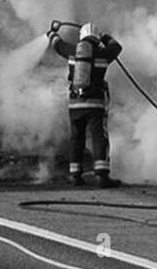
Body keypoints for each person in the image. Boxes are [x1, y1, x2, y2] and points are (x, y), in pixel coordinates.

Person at [47, 21, 122, 187]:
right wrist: (104, 36)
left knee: (76, 138)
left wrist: (51, 32)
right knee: (98, 138)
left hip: (75, 105)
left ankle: (75, 176)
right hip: (95, 105)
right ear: (96, 38)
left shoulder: (72, 51)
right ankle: (102, 176)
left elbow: (56, 44)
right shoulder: (104, 53)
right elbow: (117, 47)